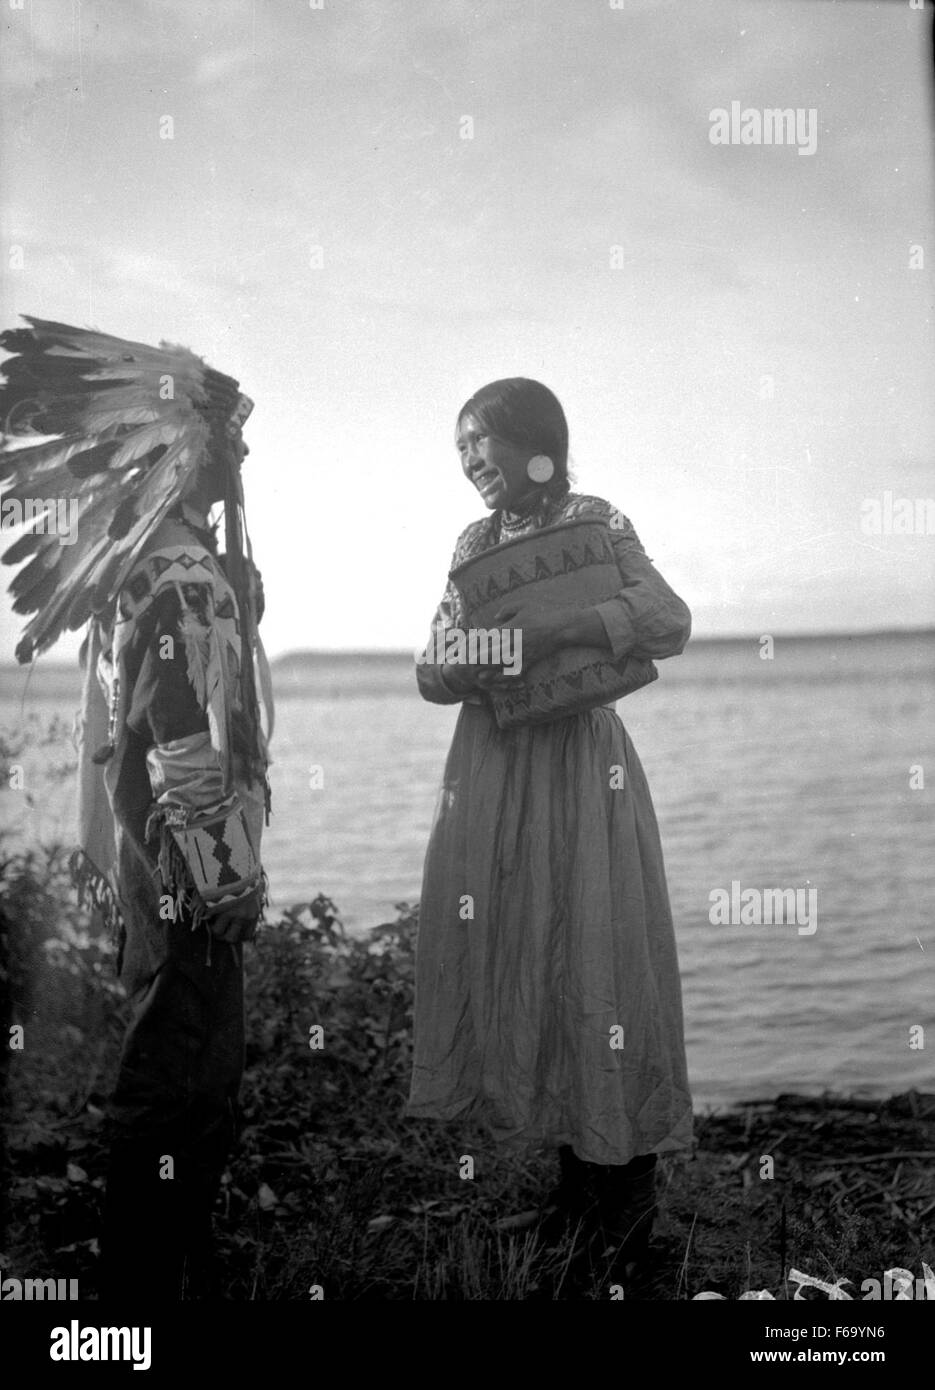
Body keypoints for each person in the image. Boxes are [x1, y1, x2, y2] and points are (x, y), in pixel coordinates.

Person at [0, 317, 272, 1300]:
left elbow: (141, 728)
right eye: (228, 434)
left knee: (178, 1064)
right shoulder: (179, 569)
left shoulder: (144, 560)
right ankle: (144, 1288)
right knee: (182, 1081)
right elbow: (175, 735)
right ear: (176, 442)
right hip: (186, 865)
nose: (241, 450)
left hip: (150, 858)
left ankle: (155, 1269)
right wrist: (219, 873)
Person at [408, 377, 692, 1282]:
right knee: (528, 950)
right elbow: (428, 667)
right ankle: (573, 1193)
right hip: (495, 766)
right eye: (458, 449)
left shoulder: (594, 517)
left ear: (535, 440)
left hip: (581, 763)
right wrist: (493, 654)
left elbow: (667, 620)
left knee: (601, 949)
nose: (469, 464)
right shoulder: (473, 544)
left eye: (479, 443)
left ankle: (627, 1208)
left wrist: (562, 627)